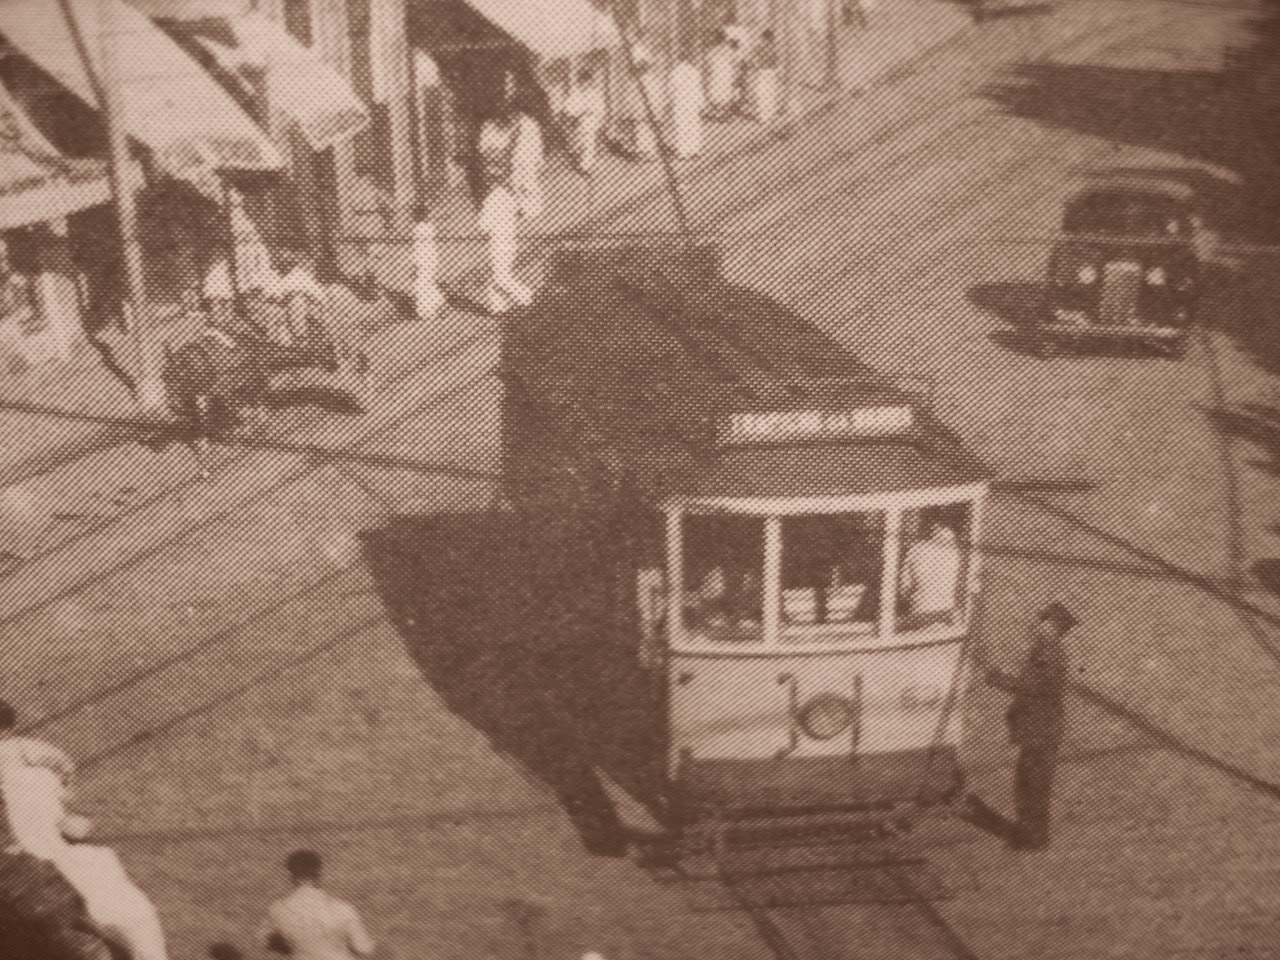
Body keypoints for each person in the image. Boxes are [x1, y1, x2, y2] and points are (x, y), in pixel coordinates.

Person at [987, 603, 1076, 850]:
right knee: (1029, 781)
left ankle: (1034, 840)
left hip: (1041, 730)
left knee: (1034, 784)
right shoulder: (1046, 650)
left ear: (1052, 627)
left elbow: (1031, 687)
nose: (1037, 625)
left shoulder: (1048, 653)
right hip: (1039, 729)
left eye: (1042, 621)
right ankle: (1029, 834)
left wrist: (997, 679)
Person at [52, 817, 170, 960]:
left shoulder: (60, 859)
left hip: (105, 917)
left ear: (62, 836)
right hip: (138, 908)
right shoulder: (106, 853)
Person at [0, 700, 80, 861]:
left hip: (30, 794)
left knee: (35, 824)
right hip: (37, 791)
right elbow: (65, 763)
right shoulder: (25, 745)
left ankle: (62, 834)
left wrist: (66, 788)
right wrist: (67, 787)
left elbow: (63, 762)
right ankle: (61, 831)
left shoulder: (16, 747)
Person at [260, 849, 375, 960]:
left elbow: (263, 940)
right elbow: (364, 949)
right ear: (319, 873)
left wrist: (291, 947)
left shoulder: (278, 909)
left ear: (290, 874)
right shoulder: (343, 908)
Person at [478, 181, 533, 314]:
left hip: (498, 244)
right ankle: (497, 307)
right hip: (511, 242)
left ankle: (526, 297)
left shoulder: (490, 200)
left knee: (500, 277)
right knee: (495, 275)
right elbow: (522, 213)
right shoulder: (508, 196)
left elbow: (483, 227)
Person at [898, 521, 961, 621]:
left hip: (920, 610)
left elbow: (903, 588)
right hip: (948, 613)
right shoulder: (957, 553)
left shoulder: (916, 550)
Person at [562, 68, 605, 174]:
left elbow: (601, 108)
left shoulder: (595, 93)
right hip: (578, 121)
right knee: (579, 141)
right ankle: (581, 160)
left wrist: (596, 117)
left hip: (591, 120)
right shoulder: (577, 93)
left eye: (588, 82)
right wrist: (574, 115)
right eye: (583, 82)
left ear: (591, 82)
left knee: (588, 141)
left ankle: (586, 166)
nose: (586, 84)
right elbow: (569, 108)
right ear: (580, 81)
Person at [669, 58, 704, 158]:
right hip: (692, 102)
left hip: (681, 102)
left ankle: (683, 151)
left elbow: (671, 89)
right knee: (693, 125)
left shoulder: (675, 72)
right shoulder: (694, 71)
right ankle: (694, 149)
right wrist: (700, 103)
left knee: (682, 126)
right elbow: (699, 88)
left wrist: (671, 101)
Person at [412, 220, 446, 321]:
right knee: (428, 284)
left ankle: (428, 311)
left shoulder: (419, 230)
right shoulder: (429, 228)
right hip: (430, 262)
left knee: (423, 285)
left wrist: (416, 265)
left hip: (424, 263)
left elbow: (417, 251)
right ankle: (435, 306)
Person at [747, 29, 780, 123]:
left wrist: (756, 66)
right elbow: (776, 61)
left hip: (762, 72)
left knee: (762, 93)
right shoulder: (773, 47)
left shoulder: (759, 47)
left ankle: (763, 116)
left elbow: (752, 59)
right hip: (771, 72)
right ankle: (769, 115)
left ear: (763, 37)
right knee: (770, 93)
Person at [705, 31, 739, 120]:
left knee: (720, 92)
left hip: (720, 73)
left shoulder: (713, 51)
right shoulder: (727, 50)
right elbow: (735, 63)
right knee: (722, 92)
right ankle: (721, 113)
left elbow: (708, 63)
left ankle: (720, 113)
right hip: (723, 73)